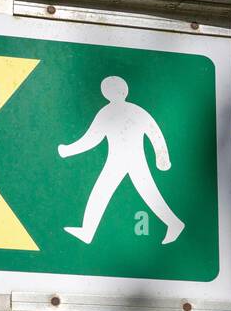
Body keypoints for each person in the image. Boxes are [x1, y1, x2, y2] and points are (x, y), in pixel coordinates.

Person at [58, 75, 185, 245]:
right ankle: (87, 231)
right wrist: (162, 159)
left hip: (127, 160)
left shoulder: (111, 112)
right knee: (107, 192)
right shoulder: (129, 111)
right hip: (121, 160)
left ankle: (174, 224)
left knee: (135, 193)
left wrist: (67, 150)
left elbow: (92, 139)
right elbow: (154, 134)